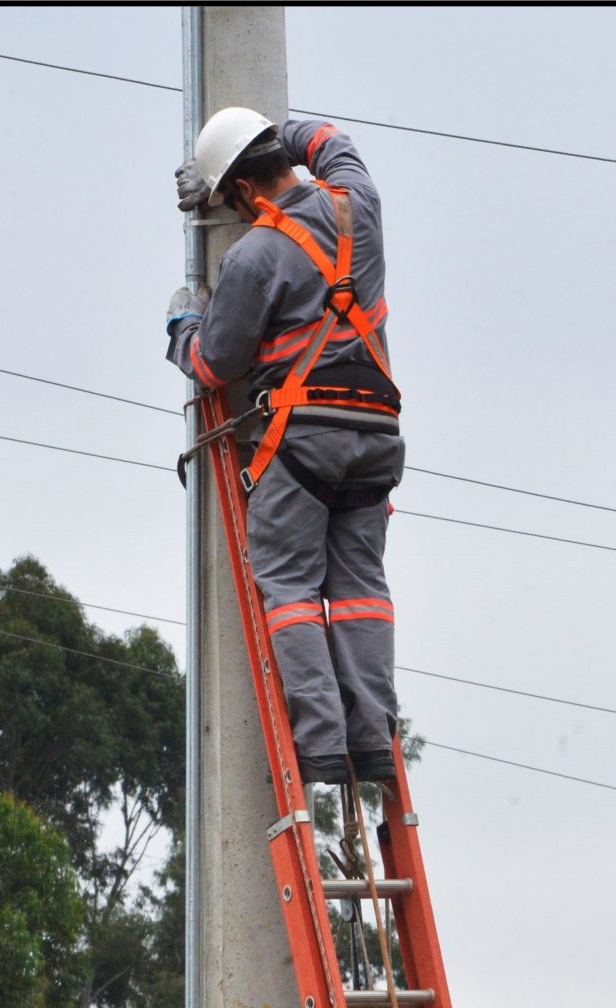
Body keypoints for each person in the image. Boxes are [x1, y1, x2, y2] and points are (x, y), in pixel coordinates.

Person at [166, 107, 404, 786]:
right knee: (361, 593)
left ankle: (323, 747)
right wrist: (265, 126)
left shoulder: (255, 255)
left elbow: (214, 366)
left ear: (241, 191)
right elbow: (331, 140)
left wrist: (182, 324)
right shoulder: (359, 203)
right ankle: (375, 742)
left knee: (290, 587)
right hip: (378, 432)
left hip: (302, 440)